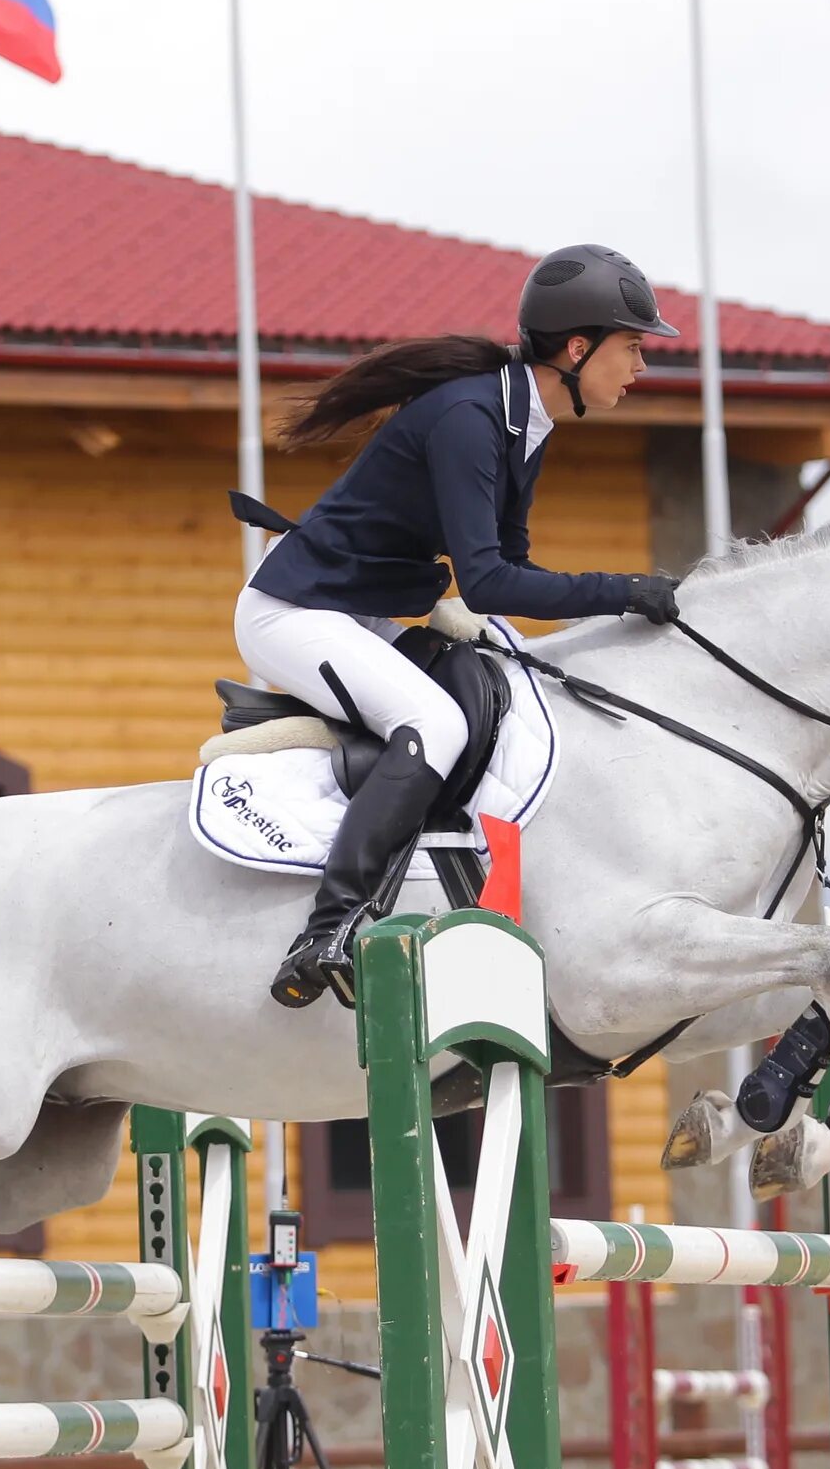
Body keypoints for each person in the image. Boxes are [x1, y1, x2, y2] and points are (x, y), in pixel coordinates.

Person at [240, 243, 687, 1008]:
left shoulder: (522, 419)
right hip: (294, 613)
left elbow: (508, 569)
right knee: (435, 723)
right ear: (578, 349)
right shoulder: (471, 417)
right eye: (633, 346)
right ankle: (328, 928)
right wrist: (625, 590)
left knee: (509, 690)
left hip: (358, 611)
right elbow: (488, 579)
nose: (642, 364)